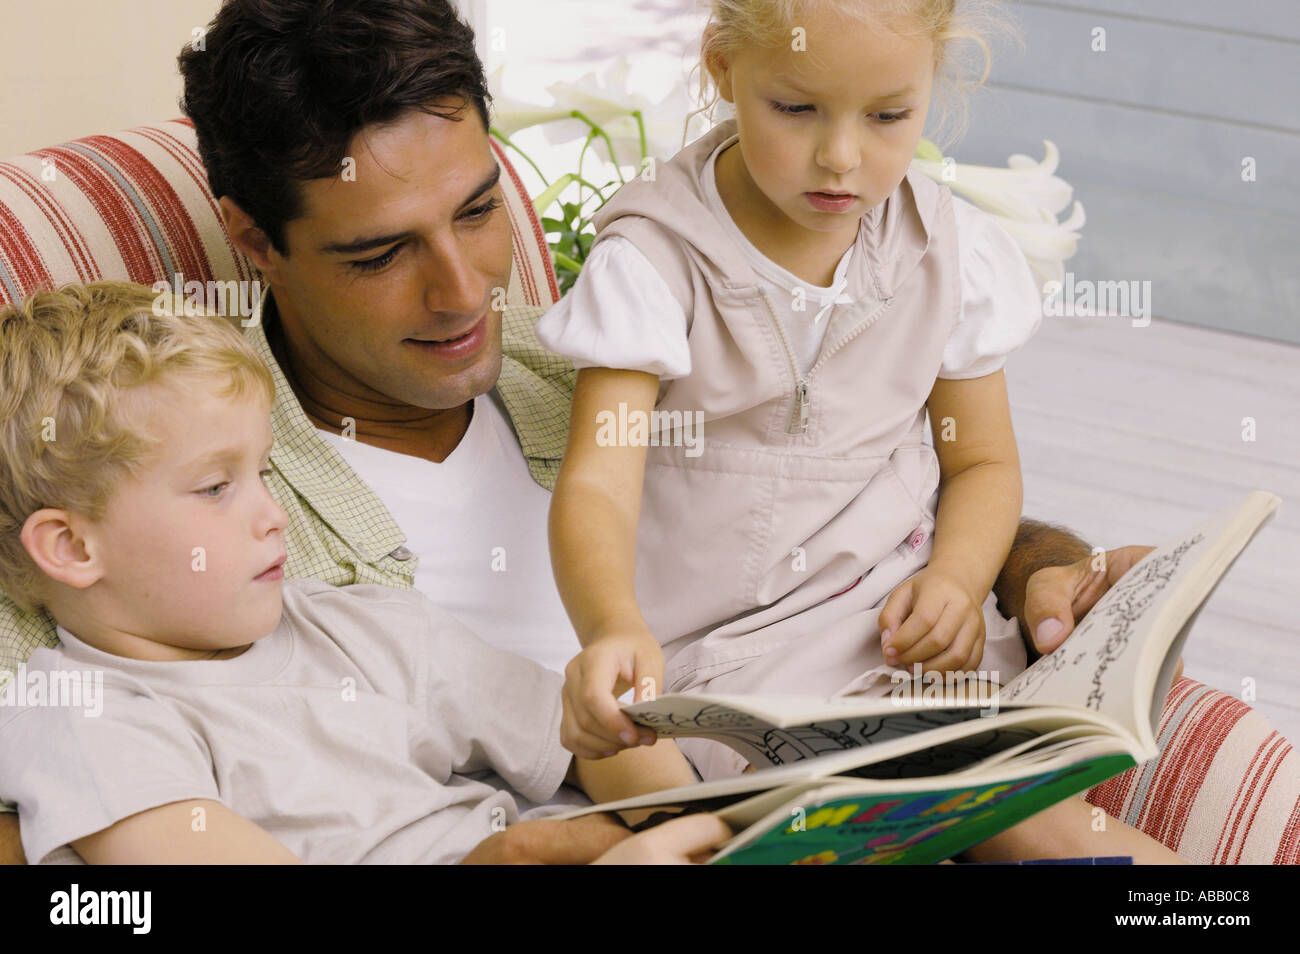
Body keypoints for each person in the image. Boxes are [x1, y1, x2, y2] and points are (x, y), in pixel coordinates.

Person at [0, 0, 1193, 864]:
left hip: (831, 740)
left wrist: (1044, 574)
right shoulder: (179, 501)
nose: (468, 290)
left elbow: (841, 495)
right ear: (254, 242)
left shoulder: (582, 356)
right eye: (381, 254)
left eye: (478, 212)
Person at [0, 283, 707, 864]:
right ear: (71, 548)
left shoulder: (359, 622)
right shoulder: (84, 715)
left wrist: (687, 817)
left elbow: (580, 738)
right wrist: (506, 858)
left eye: (263, 471)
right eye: (216, 487)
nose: (273, 515)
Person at [541, 0, 1045, 775]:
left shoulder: (949, 251)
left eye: (888, 114)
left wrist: (956, 579)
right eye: (795, 108)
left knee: (1031, 804)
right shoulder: (653, 263)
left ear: (930, 84)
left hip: (892, 625)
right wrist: (612, 624)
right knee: (838, 807)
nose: (840, 156)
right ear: (723, 68)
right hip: (722, 663)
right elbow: (599, 485)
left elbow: (980, 462)